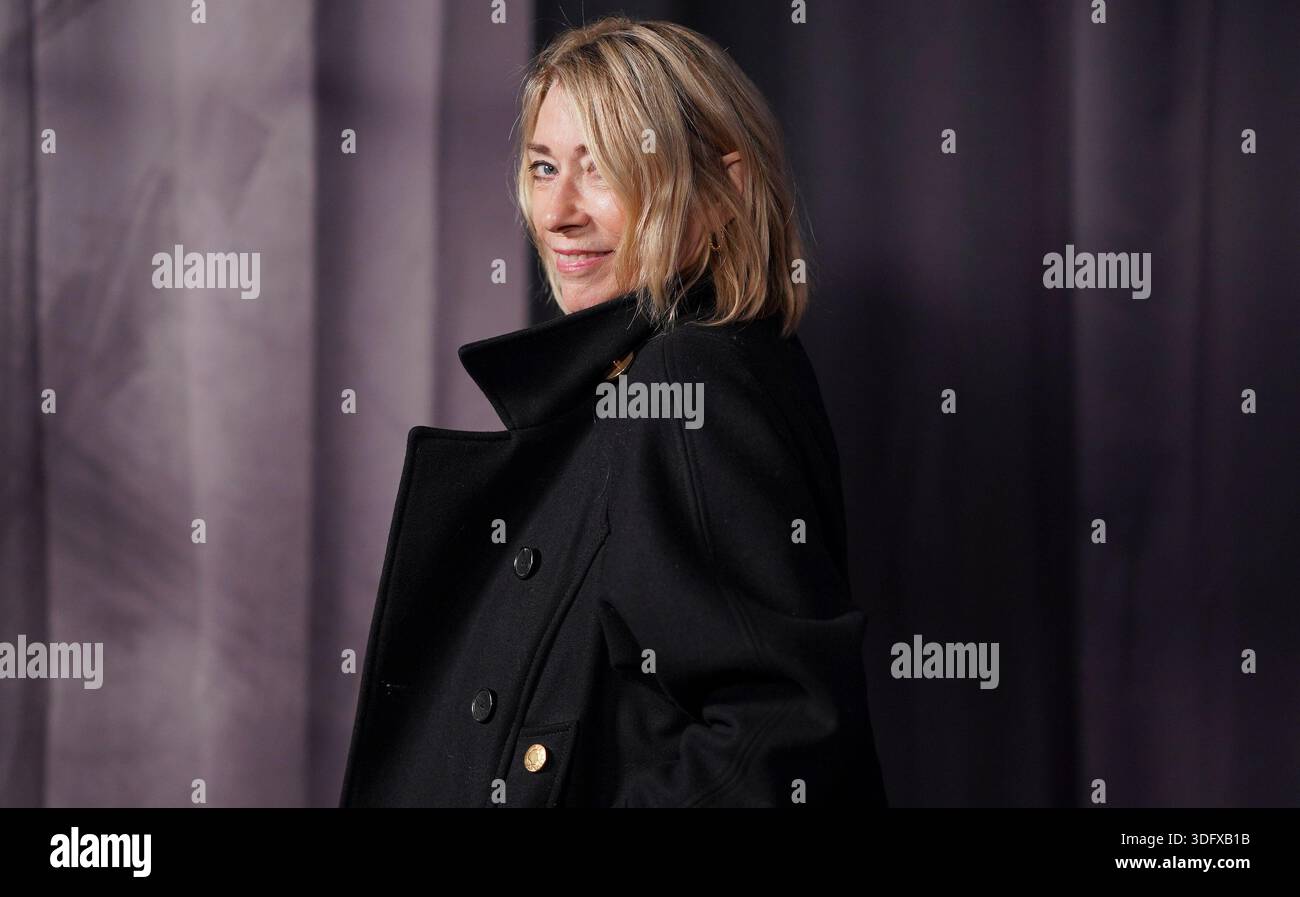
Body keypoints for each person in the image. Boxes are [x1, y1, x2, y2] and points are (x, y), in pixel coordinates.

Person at [339, 15, 888, 807]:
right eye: (542, 166)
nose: (559, 211)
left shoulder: (690, 382)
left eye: (603, 171)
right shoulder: (639, 380)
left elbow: (781, 733)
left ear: (721, 192)